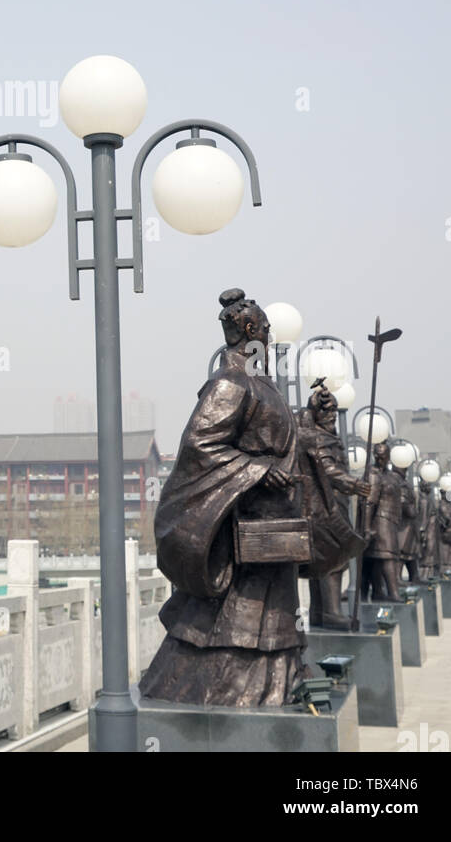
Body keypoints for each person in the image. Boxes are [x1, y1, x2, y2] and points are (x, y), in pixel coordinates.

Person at [139, 289, 307, 708]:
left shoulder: (258, 382)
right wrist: (262, 470)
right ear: (249, 331)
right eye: (266, 330)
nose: (269, 337)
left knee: (272, 618)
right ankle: (218, 690)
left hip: (273, 529)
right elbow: (201, 445)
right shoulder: (230, 383)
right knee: (232, 622)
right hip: (243, 528)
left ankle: (274, 688)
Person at [295, 381, 368, 628]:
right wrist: (353, 484)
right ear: (314, 412)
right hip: (324, 510)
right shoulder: (315, 439)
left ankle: (320, 612)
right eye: (326, 410)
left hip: (330, 506)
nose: (331, 415)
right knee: (333, 558)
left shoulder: (325, 437)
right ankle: (332, 612)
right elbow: (328, 470)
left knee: (323, 560)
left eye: (334, 410)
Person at [361, 442, 403, 602]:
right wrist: (366, 527)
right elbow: (369, 502)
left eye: (383, 454)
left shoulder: (391, 476)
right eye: (377, 454)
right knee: (387, 556)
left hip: (391, 521)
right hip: (380, 522)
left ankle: (378, 592)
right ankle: (393, 593)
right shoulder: (373, 474)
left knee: (379, 558)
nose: (380, 457)